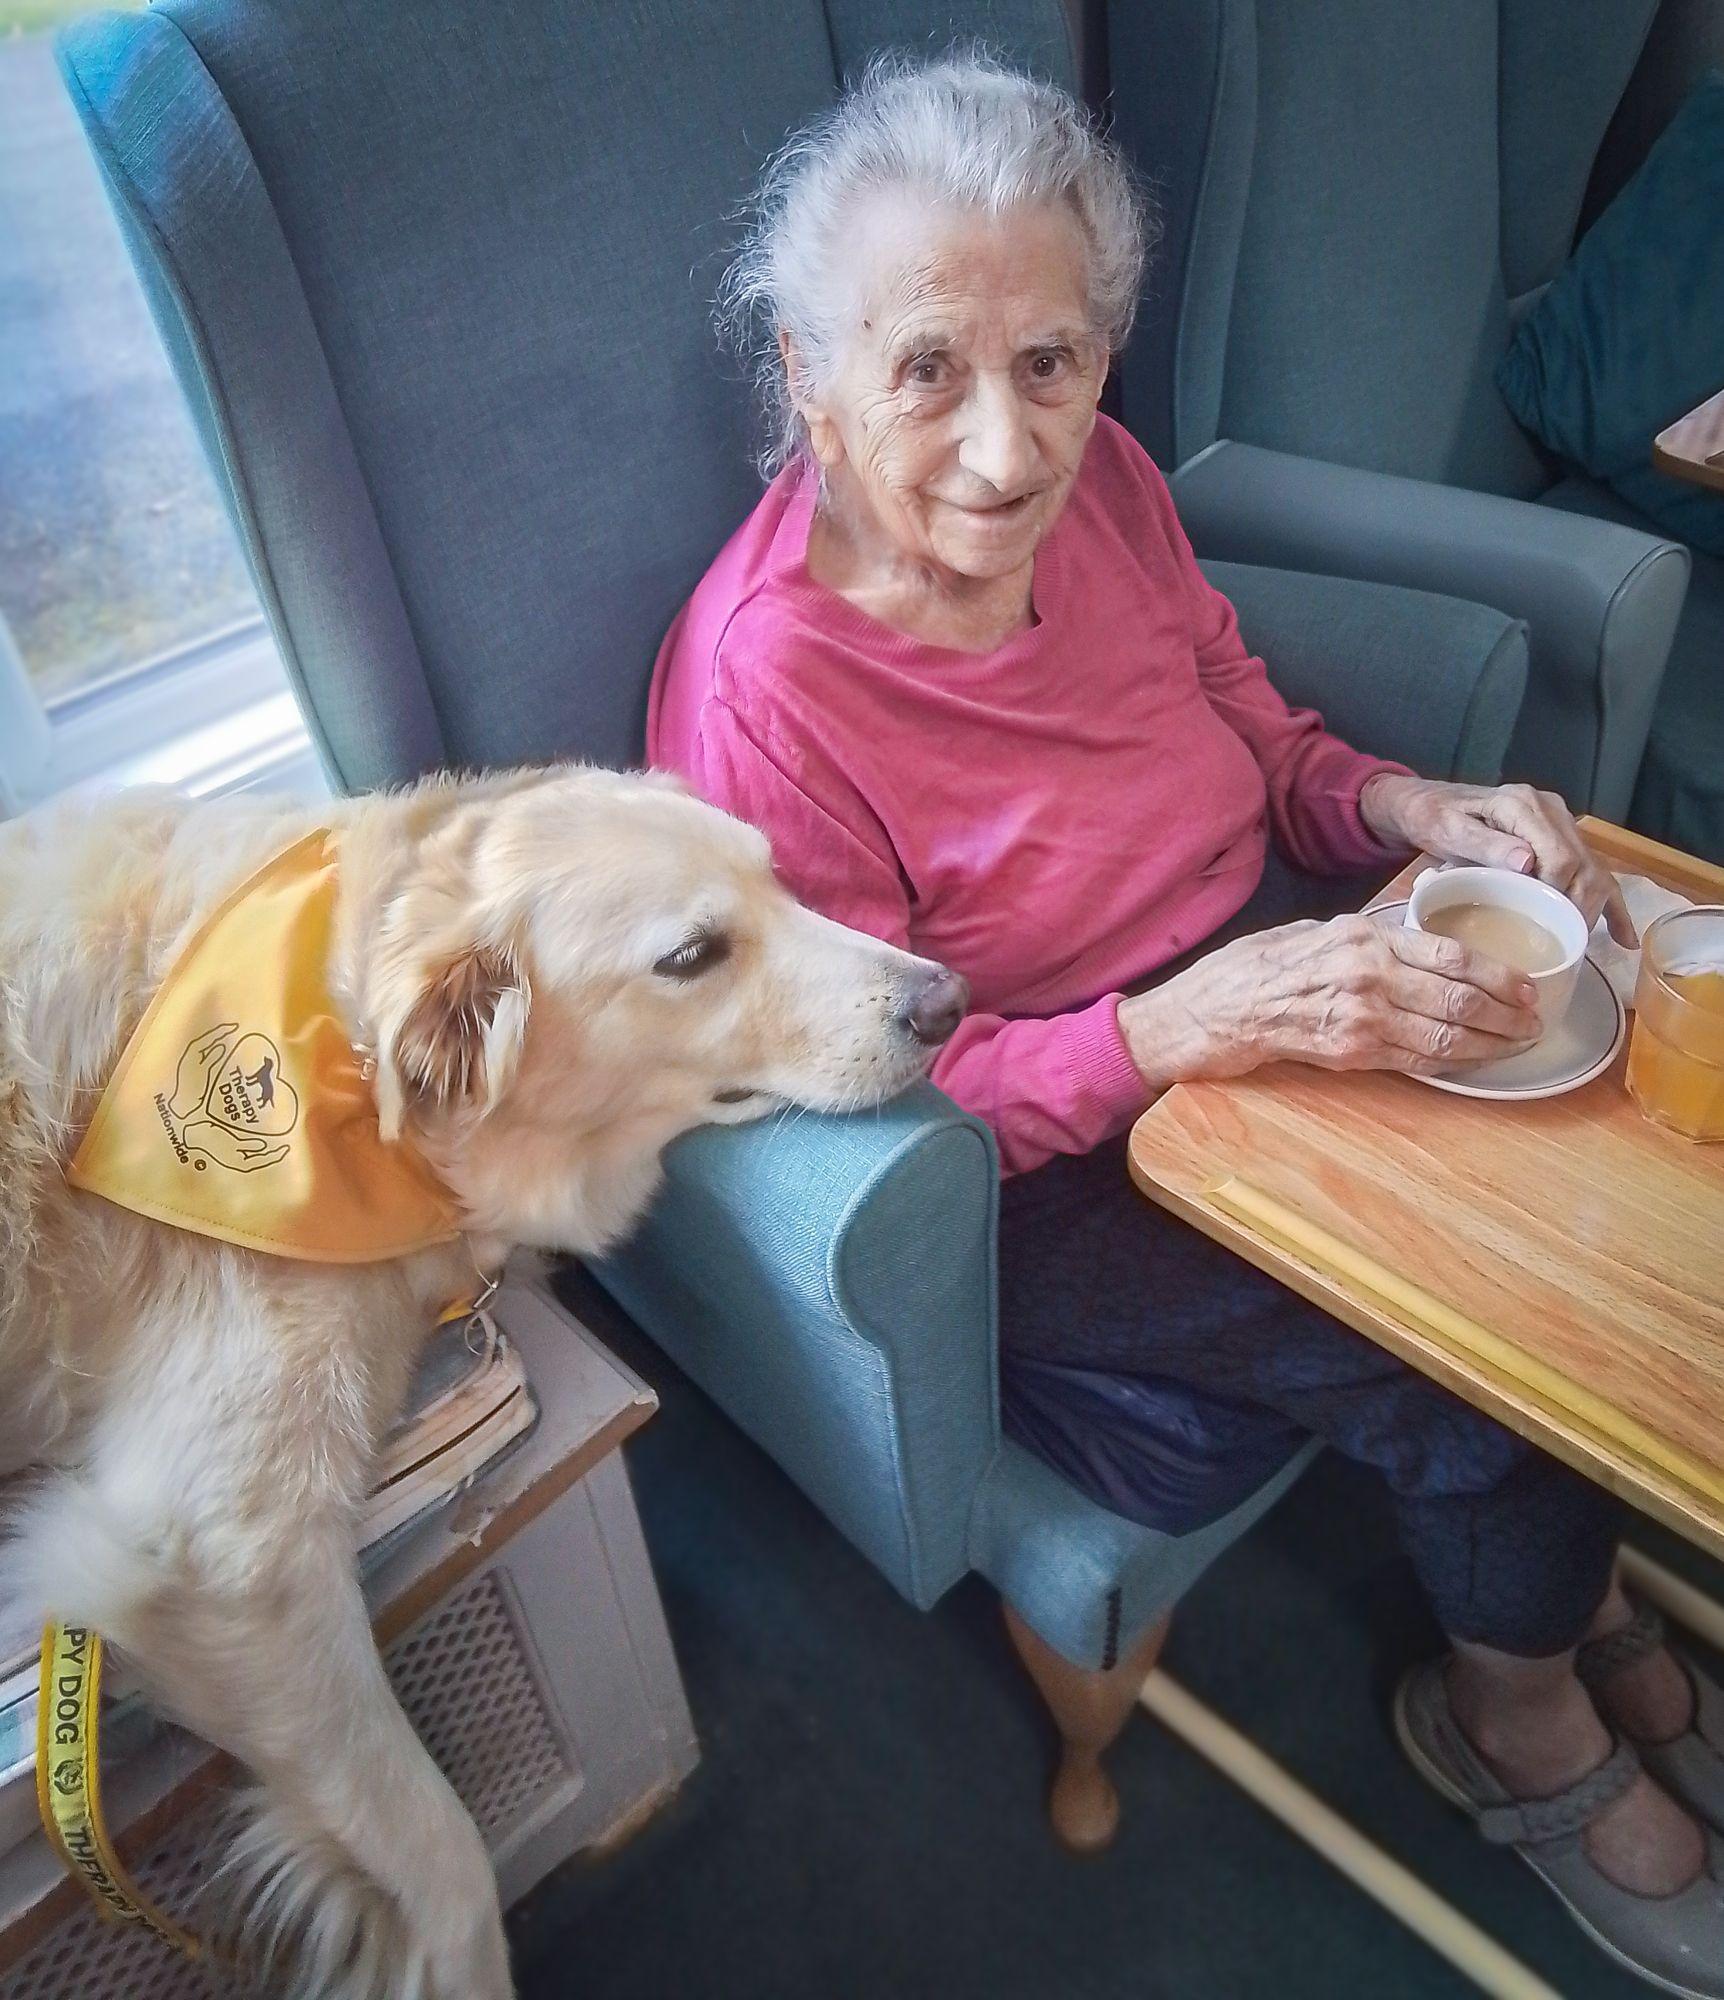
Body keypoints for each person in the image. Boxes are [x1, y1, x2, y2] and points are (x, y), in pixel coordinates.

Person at [649, 51, 1724, 1989]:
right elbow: (873, 1092)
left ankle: (1548, 1598)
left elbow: (1241, 713)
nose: (1004, 448)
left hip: (1258, 973)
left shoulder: (1113, 488)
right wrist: (1166, 1030)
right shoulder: (761, 700)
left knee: (1587, 1158)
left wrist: (1391, 804)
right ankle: (1516, 1721)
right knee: (1461, 1356)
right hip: (1051, 1146)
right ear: (804, 377)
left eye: (1052, 362)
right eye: (923, 371)